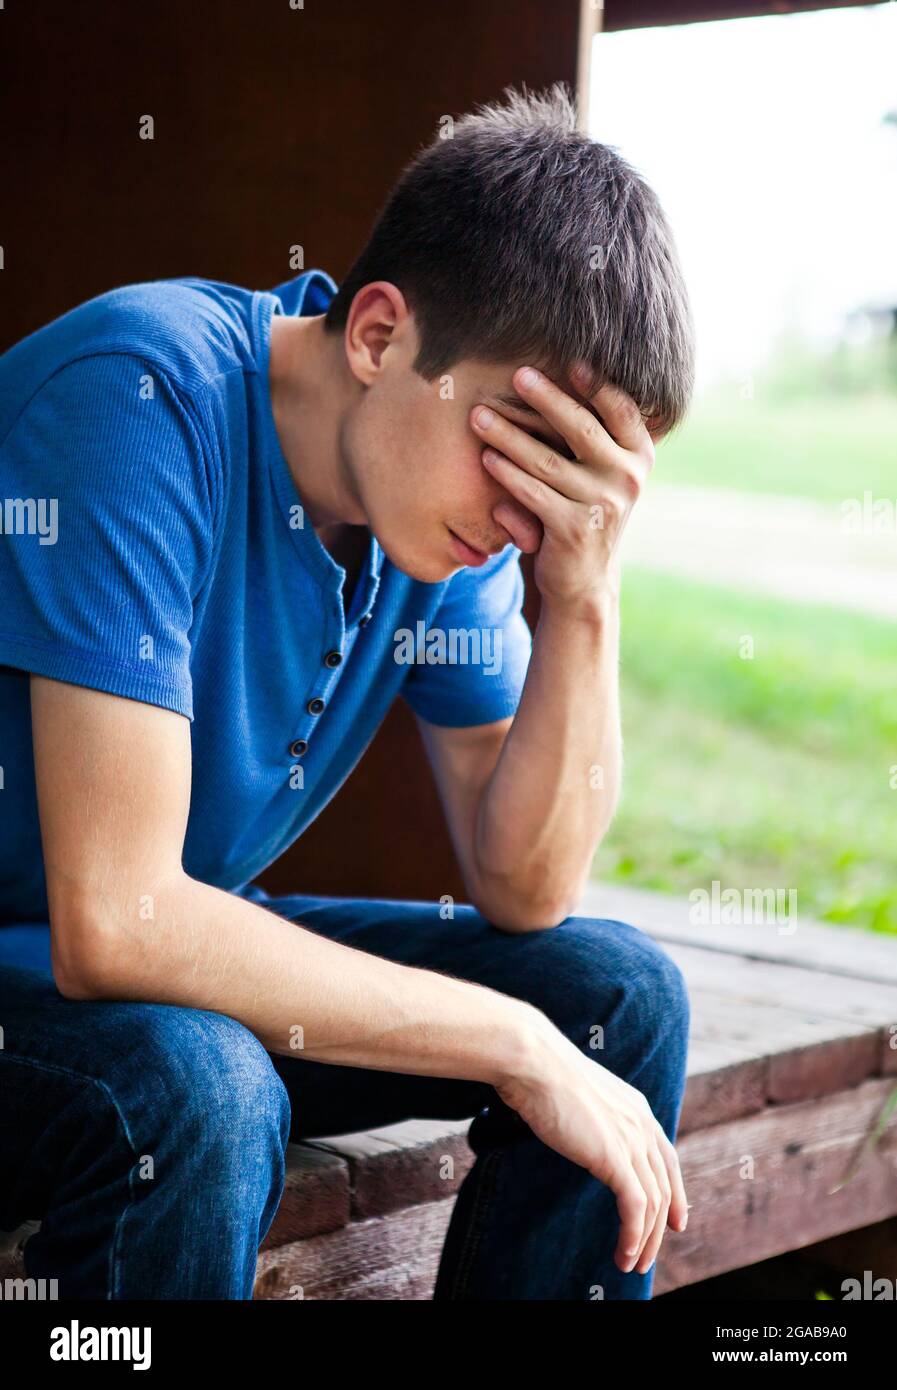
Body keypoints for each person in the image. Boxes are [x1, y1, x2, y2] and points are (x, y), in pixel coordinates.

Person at [0, 82, 694, 1300]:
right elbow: (121, 922)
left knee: (618, 999)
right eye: (521, 449)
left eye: (571, 477)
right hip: (69, 966)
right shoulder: (139, 397)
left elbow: (527, 888)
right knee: (199, 1083)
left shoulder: (440, 517)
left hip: (112, 971)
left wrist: (583, 598)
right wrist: (512, 1044)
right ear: (379, 337)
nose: (531, 513)